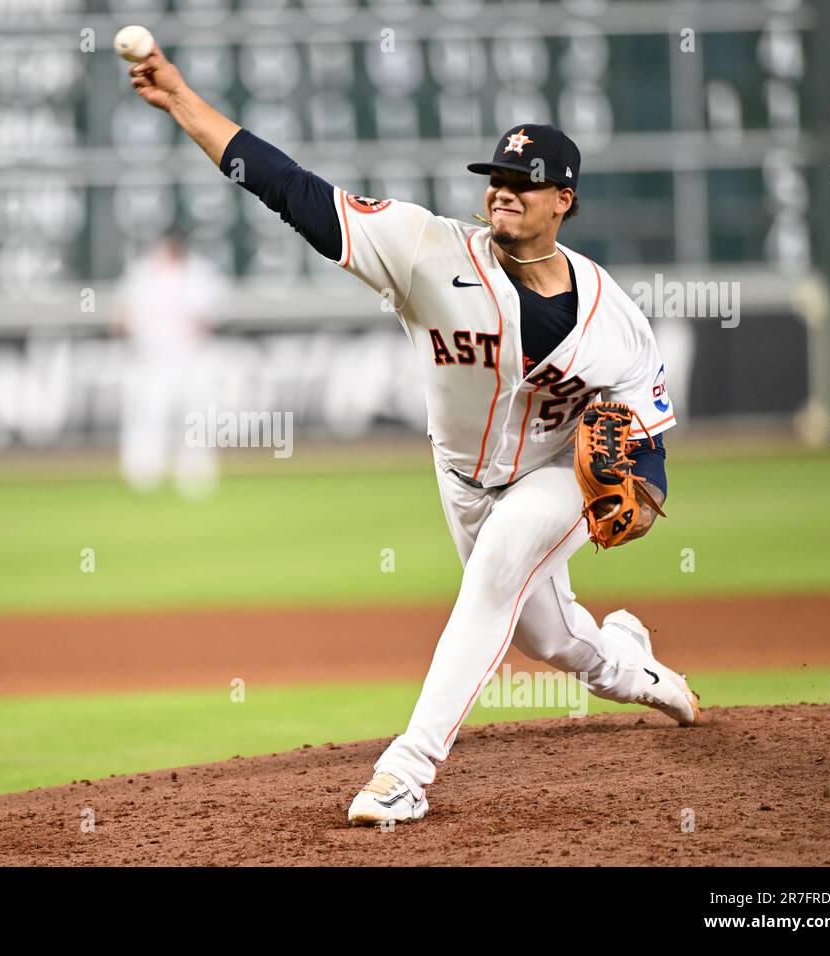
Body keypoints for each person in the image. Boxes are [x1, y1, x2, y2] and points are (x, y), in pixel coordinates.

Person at [127, 48, 698, 826]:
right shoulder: (426, 249)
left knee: (499, 569)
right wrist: (184, 103)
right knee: (552, 640)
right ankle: (633, 668)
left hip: (554, 472)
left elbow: (650, 438)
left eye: (522, 183)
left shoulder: (613, 317)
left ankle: (406, 770)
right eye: (495, 177)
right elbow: (292, 190)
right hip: (462, 476)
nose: (501, 191)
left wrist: (645, 488)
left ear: (562, 199)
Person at [113, 230, 224, 500]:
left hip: (191, 357)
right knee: (150, 413)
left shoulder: (200, 273)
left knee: (196, 416)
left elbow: (214, 316)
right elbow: (118, 317)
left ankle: (196, 476)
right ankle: (143, 474)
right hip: (152, 358)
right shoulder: (142, 273)